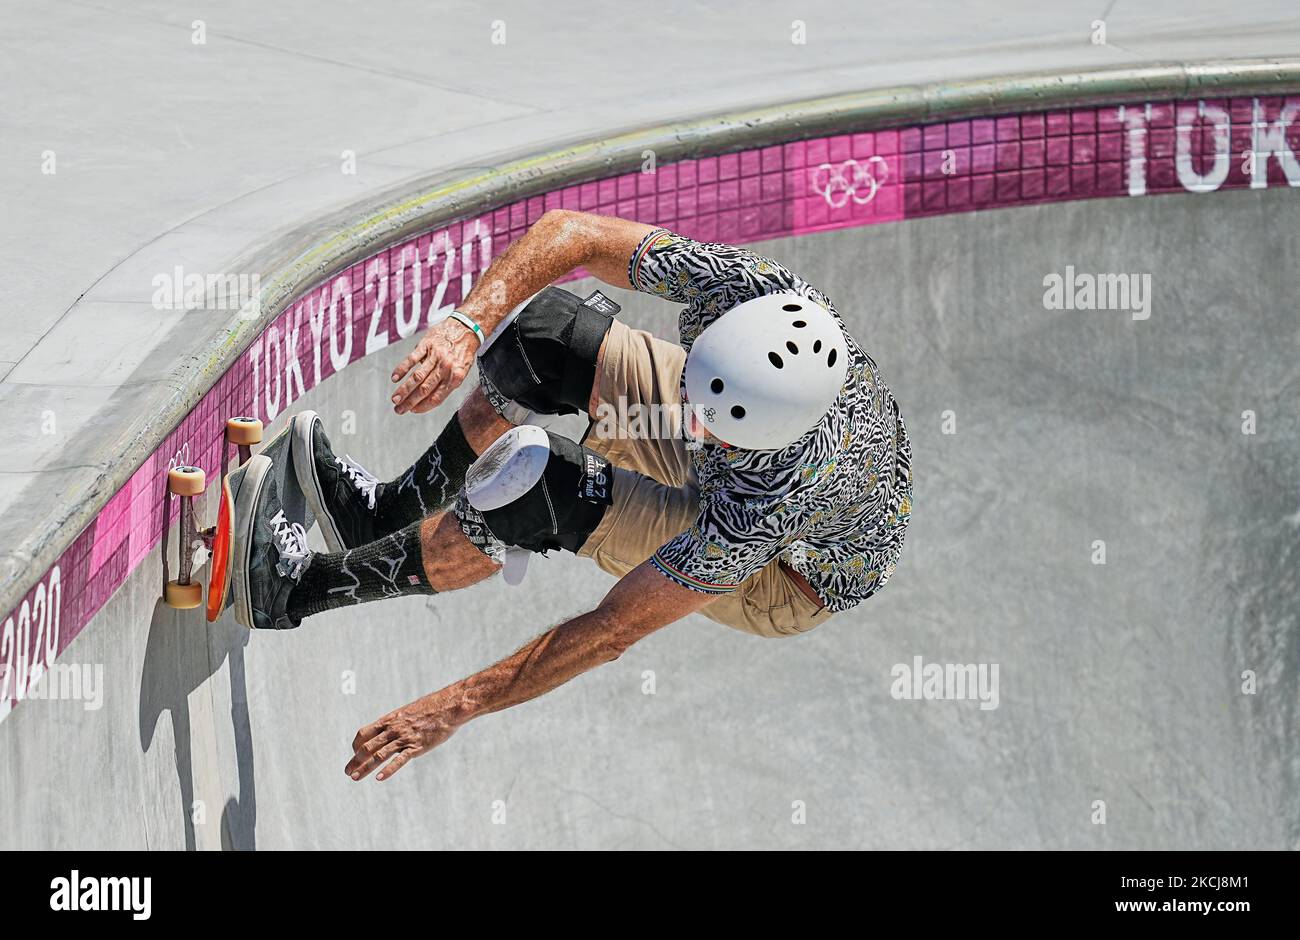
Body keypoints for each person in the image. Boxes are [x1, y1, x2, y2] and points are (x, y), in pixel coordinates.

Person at [228, 210, 913, 781]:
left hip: (786, 576)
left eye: (711, 429)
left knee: (539, 488)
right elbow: (572, 236)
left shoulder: (766, 505)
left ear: (756, 442)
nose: (684, 422)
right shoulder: (750, 292)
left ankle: (296, 589)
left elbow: (613, 630)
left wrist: (452, 707)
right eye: (690, 396)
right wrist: (467, 327)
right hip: (752, 449)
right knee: (551, 338)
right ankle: (376, 515)